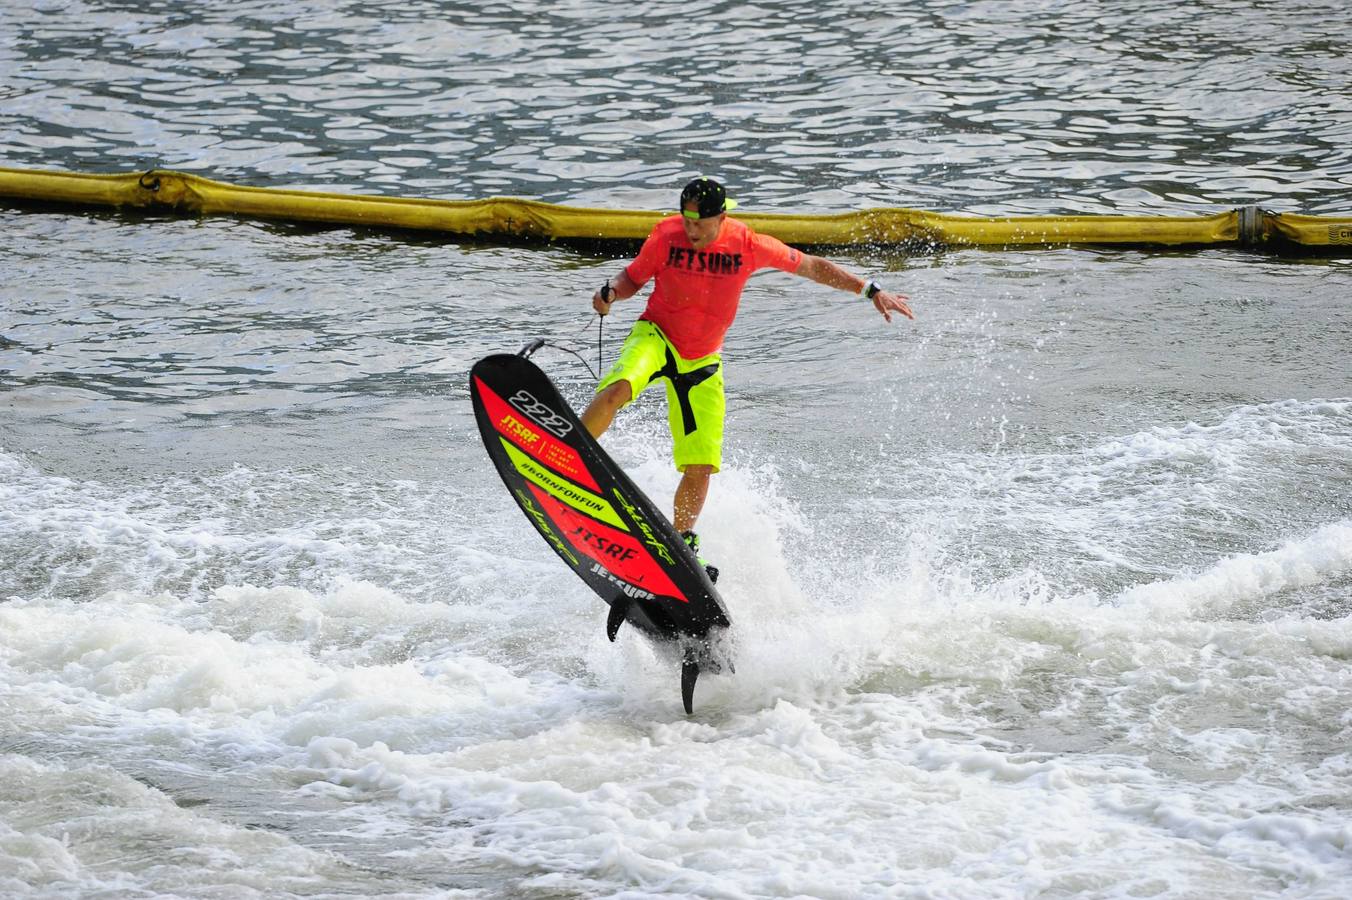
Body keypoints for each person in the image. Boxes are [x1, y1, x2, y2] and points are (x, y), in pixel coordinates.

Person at [581, 177, 914, 580]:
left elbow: (812, 267)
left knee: (701, 464)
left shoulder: (748, 244)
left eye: (699, 223)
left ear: (721, 217)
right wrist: (611, 294)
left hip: (703, 359)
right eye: (685, 220)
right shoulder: (667, 236)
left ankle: (680, 542)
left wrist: (869, 289)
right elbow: (632, 278)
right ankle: (572, 452)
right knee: (618, 388)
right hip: (657, 335)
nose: (690, 230)